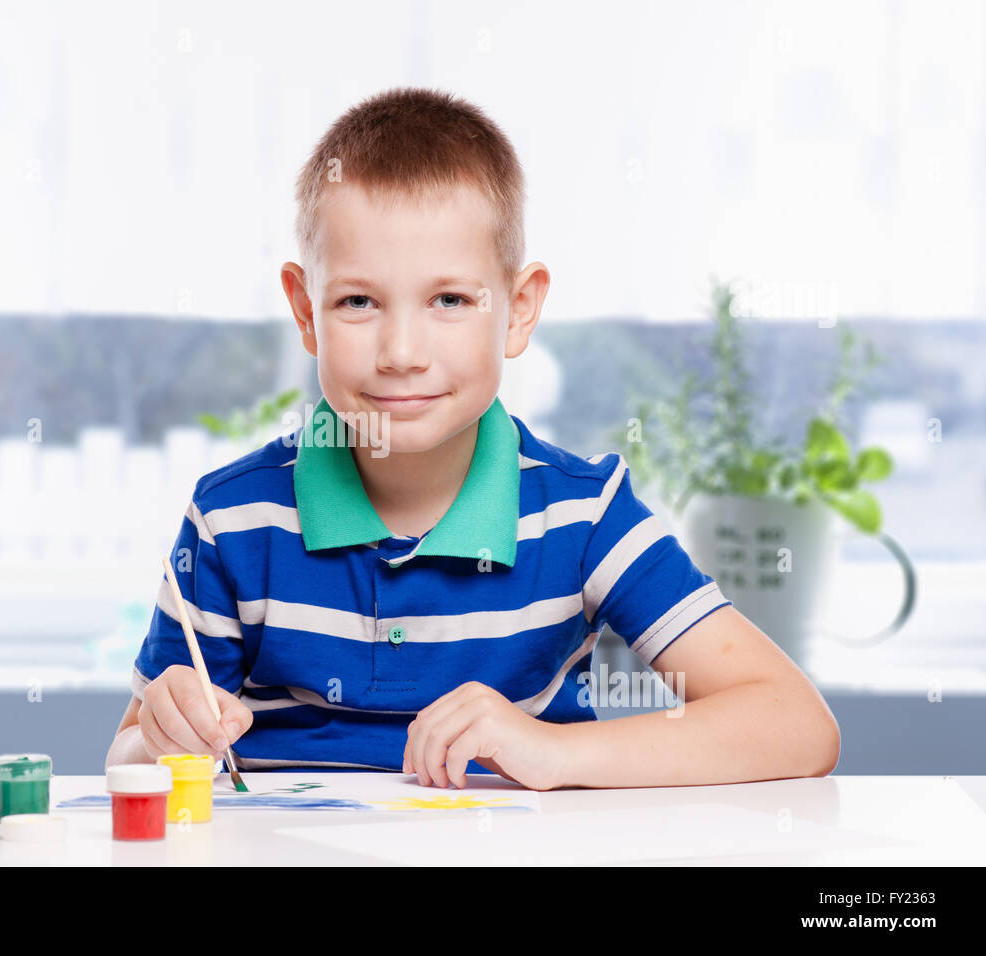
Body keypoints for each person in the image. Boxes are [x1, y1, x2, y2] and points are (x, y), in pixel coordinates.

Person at [104, 87, 840, 790]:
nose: (401, 351)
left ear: (518, 310)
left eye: (449, 300)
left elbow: (796, 726)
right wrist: (162, 736)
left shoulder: (584, 517)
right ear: (305, 310)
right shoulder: (232, 519)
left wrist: (552, 747)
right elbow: (130, 755)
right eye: (358, 301)